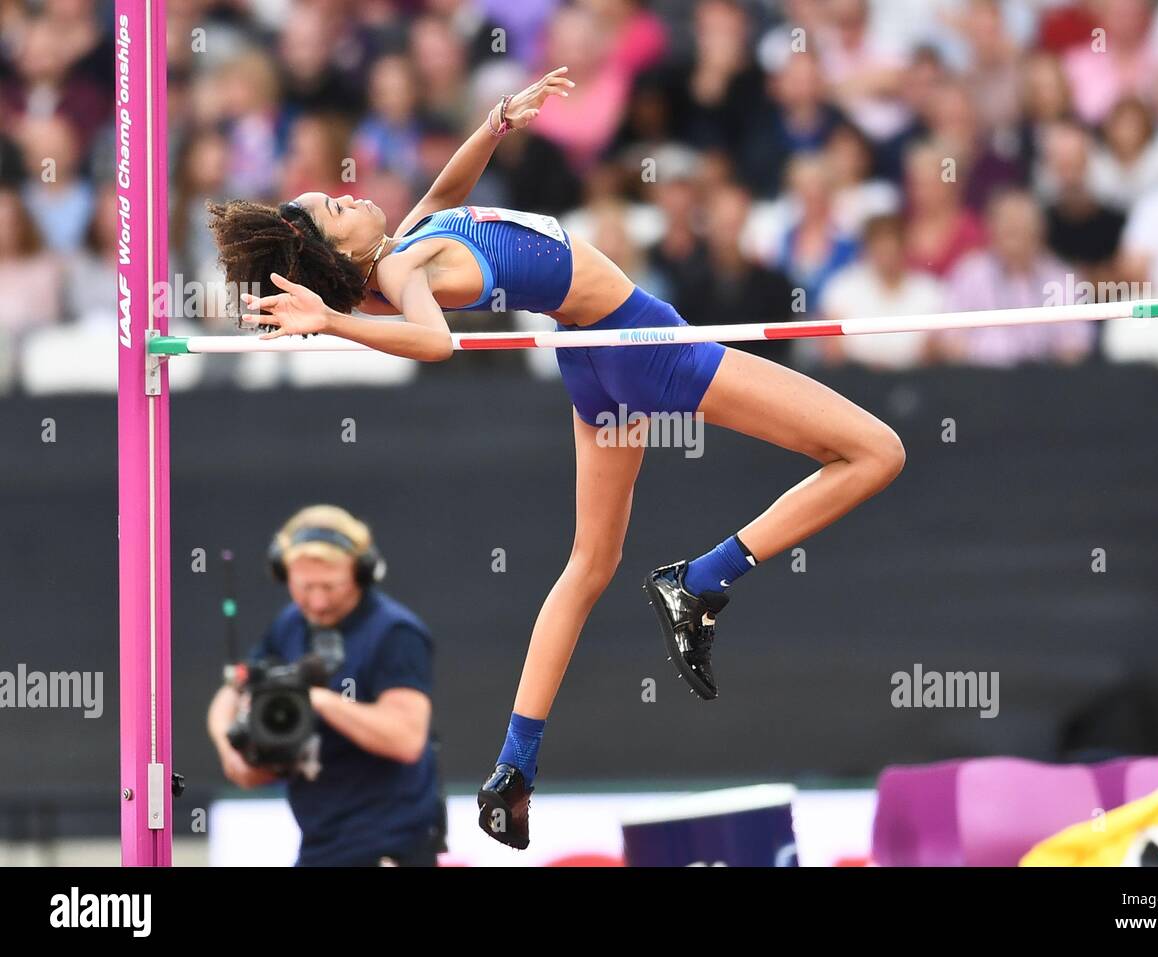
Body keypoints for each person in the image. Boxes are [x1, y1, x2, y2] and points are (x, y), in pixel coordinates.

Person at [210, 67, 906, 851]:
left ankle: (514, 765)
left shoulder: (399, 251)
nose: (353, 194)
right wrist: (332, 324)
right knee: (877, 450)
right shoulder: (399, 274)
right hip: (642, 348)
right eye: (338, 208)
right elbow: (435, 343)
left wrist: (497, 124)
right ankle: (705, 578)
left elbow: (445, 191)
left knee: (589, 563)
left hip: (591, 358)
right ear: (340, 256)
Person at [206, 505, 445, 866]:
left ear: (361, 574)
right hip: (321, 844)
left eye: (331, 587)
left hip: (389, 848)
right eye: (304, 587)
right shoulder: (289, 625)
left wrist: (318, 701)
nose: (317, 602)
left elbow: (407, 738)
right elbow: (233, 688)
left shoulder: (395, 633)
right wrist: (232, 749)